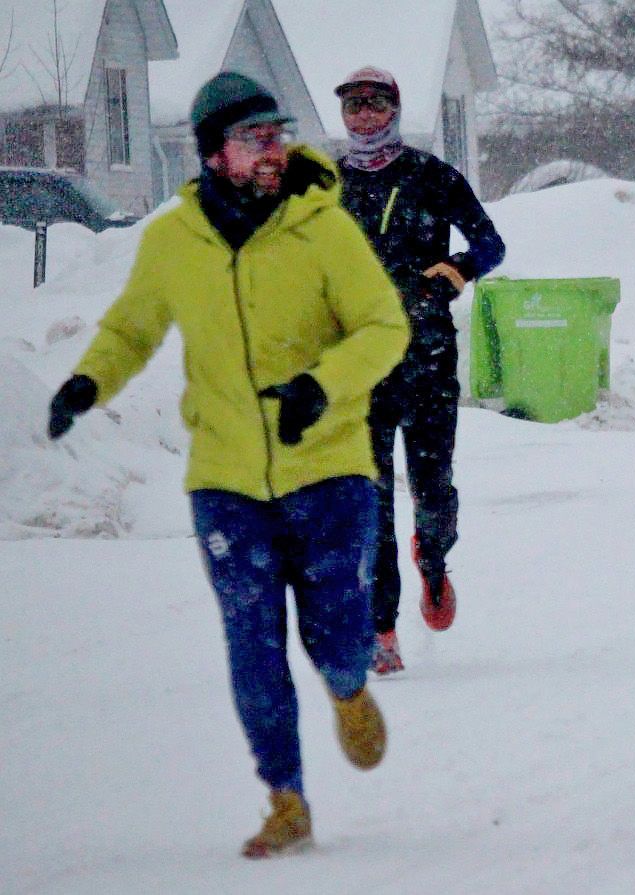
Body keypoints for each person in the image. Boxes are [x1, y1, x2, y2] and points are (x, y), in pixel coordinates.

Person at [46, 72, 411, 858]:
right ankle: (286, 797)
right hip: (225, 480)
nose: (274, 149)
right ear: (215, 152)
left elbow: (384, 327)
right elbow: (133, 328)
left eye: (278, 135)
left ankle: (348, 684)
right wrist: (87, 381)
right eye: (256, 138)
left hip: (329, 471)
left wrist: (322, 385)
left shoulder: (324, 228)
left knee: (337, 633)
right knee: (252, 642)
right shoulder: (174, 240)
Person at [333, 66, 506, 674]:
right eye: (354, 107)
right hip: (360, 368)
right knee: (369, 505)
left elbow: (491, 244)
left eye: (375, 105)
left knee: (432, 494)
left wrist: (454, 272)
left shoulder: (431, 177)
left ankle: (433, 560)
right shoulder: (327, 187)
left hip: (429, 361)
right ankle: (382, 631)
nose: (364, 116)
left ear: (395, 110)